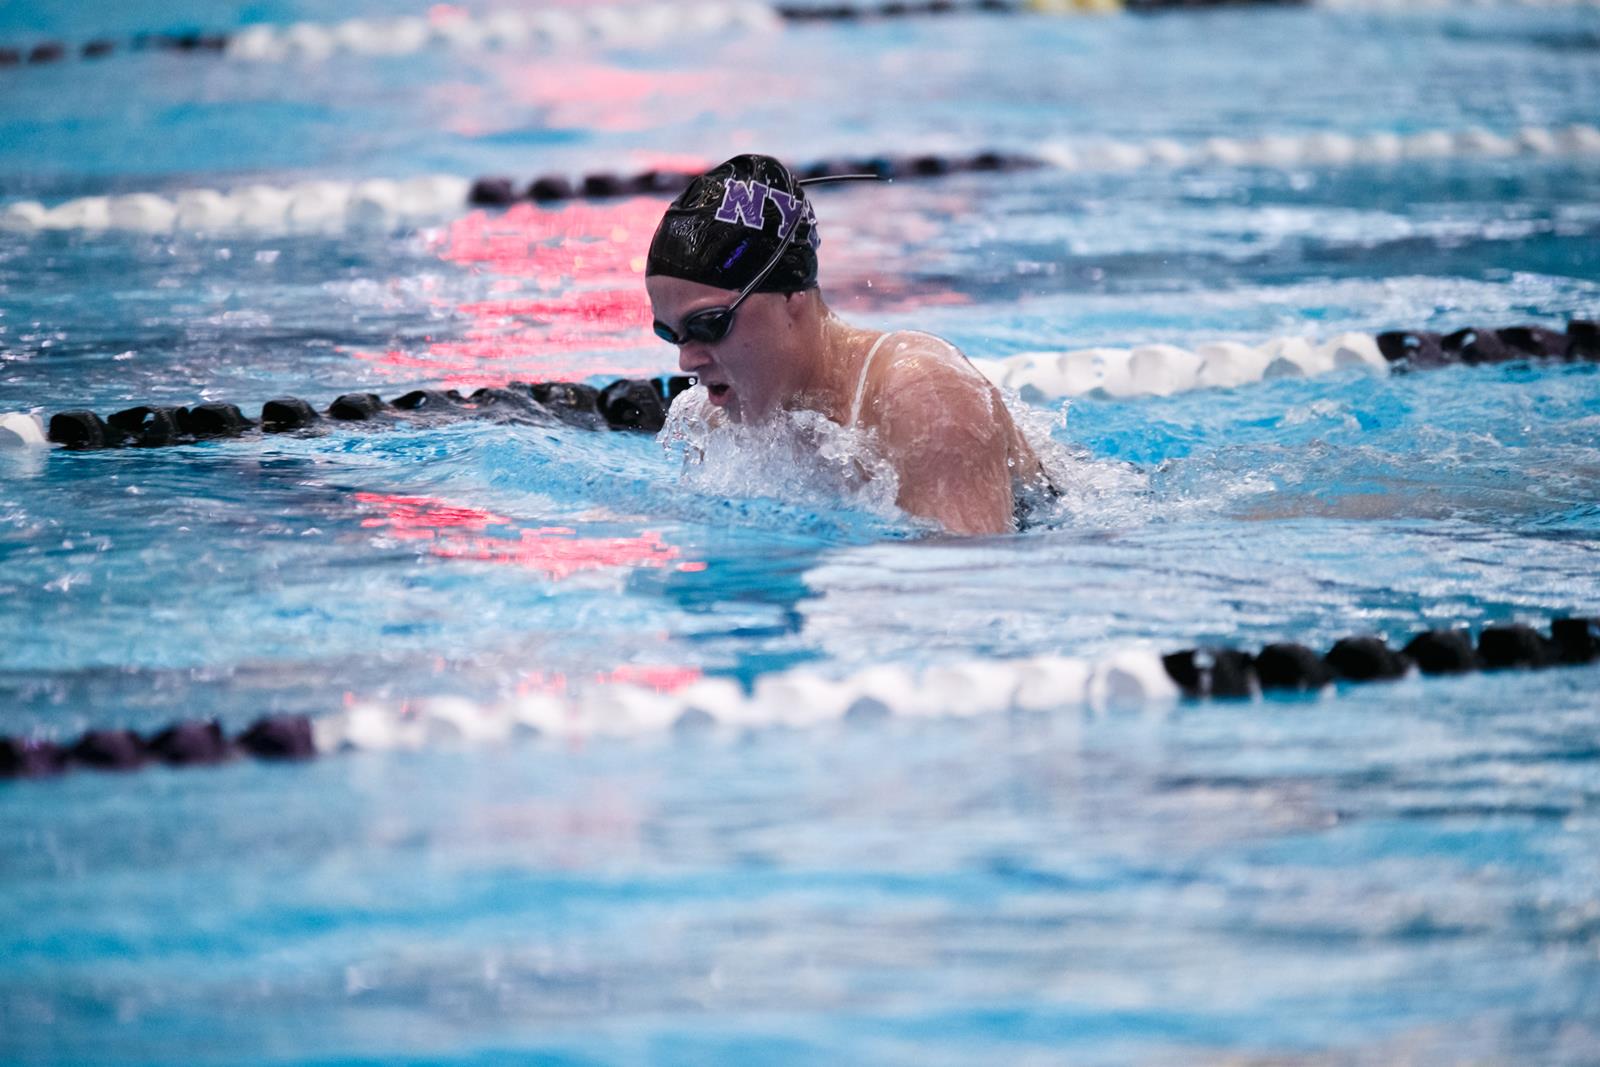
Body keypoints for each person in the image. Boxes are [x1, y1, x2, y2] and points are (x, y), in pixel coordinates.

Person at [645, 154, 1053, 536]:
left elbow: (966, 586)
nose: (687, 359)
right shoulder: (714, 423)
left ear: (790, 296)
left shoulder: (924, 398)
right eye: (670, 333)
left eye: (710, 324)